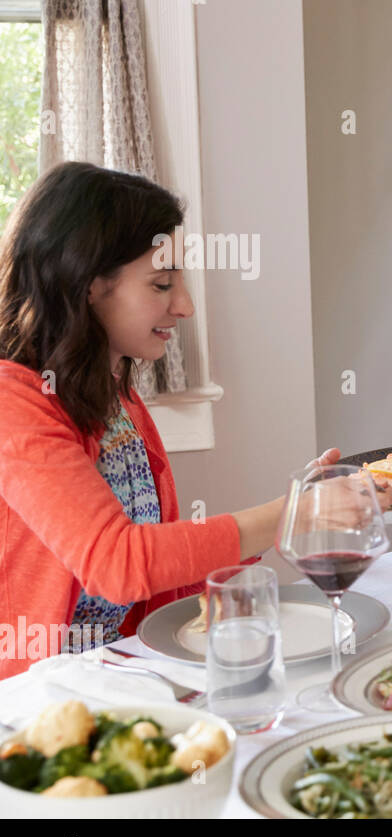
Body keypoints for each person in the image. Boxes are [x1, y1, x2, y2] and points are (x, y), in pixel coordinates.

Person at [0, 162, 342, 680]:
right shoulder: (12, 401)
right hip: (37, 708)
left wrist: (295, 505)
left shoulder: (115, 394)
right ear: (88, 284)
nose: (184, 306)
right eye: (161, 284)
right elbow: (118, 563)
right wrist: (291, 514)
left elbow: (158, 580)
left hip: (123, 675)